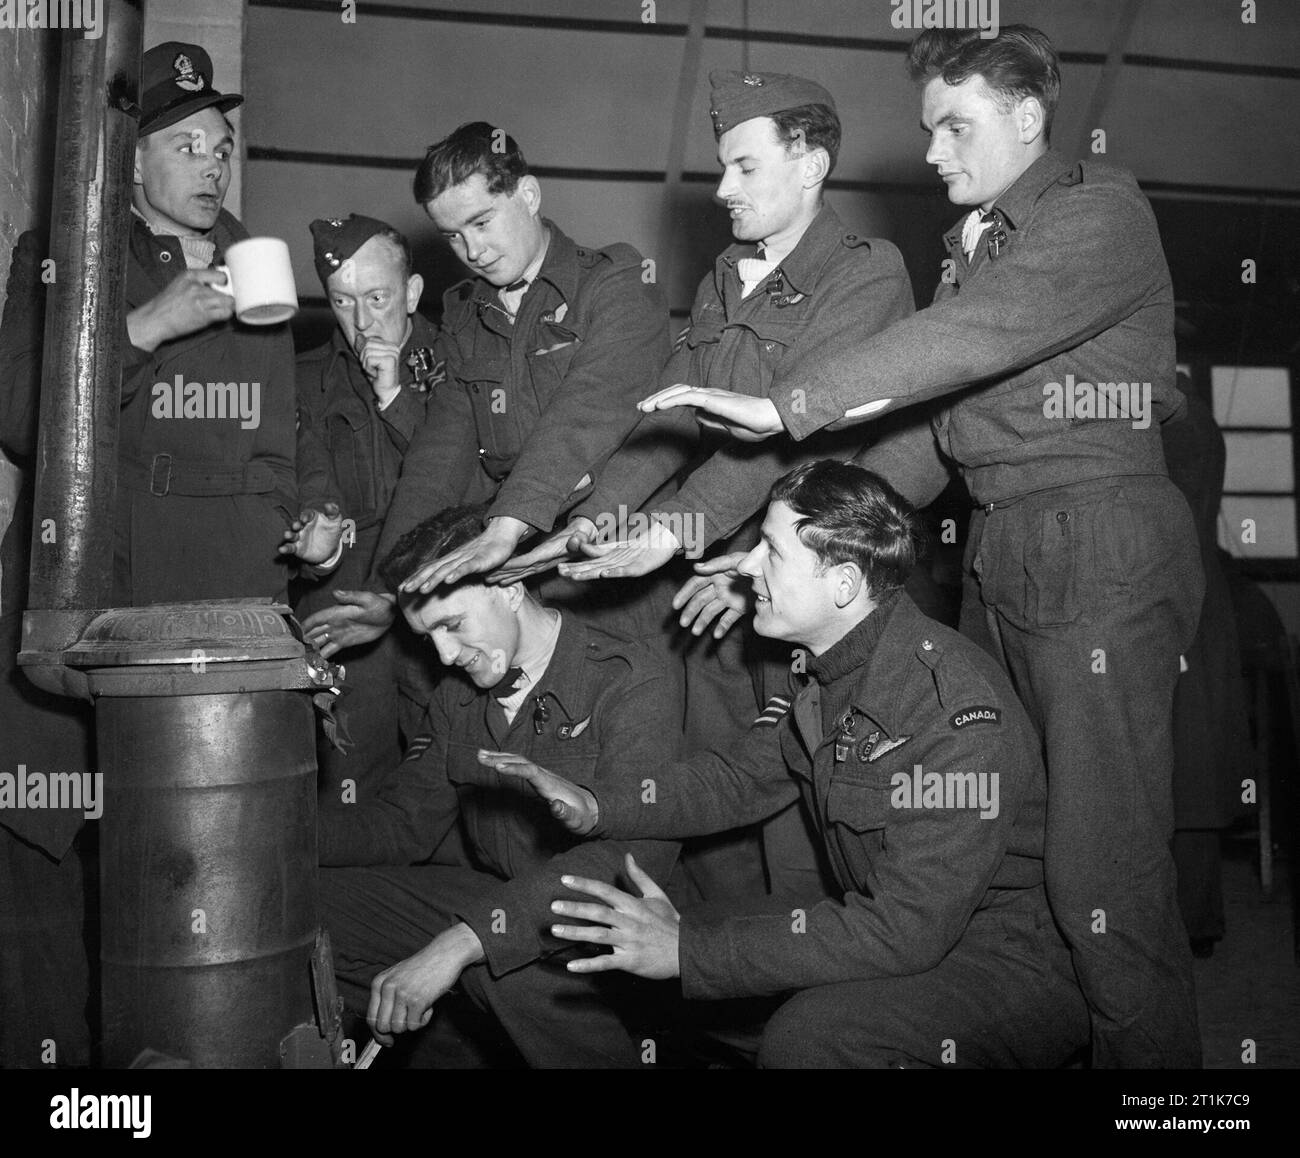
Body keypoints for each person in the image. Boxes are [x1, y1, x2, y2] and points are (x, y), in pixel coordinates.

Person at [642, 27, 1206, 1068]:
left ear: (1029, 120)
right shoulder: (977, 250)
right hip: (1009, 542)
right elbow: (928, 440)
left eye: (957, 126)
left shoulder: (1095, 212)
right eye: (928, 129)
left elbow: (972, 337)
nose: (936, 151)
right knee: (1030, 859)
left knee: (1102, 873)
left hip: (1099, 542)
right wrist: (786, 548)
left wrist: (787, 405)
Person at [487, 462, 1090, 1068]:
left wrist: (688, 951)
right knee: (639, 962)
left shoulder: (953, 710)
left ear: (844, 585)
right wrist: (600, 806)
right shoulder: (833, 670)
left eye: (770, 550)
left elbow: (905, 929)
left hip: (1003, 957)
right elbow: (740, 780)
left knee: (810, 1039)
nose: (746, 566)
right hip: (901, 925)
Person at [496, 70, 917, 905]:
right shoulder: (726, 276)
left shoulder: (868, 275)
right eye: (721, 166)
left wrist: (672, 536)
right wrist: (595, 524)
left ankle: (805, 1010)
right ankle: (717, 1002)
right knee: (717, 796)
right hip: (723, 582)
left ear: (811, 164)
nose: (723, 189)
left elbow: (789, 439)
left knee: (809, 812)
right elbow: (668, 424)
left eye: (745, 167)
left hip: (823, 584)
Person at [318, 505, 680, 1067]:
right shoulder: (458, 696)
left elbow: (626, 861)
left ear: (509, 589)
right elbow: (401, 827)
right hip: (507, 908)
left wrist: (462, 943)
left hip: (610, 932)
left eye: (452, 625)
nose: (442, 654)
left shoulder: (628, 680)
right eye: (426, 635)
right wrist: (278, 835)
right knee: (306, 903)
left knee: (501, 968)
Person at [300, 122, 671, 664]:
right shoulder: (468, 313)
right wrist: (395, 585)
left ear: (528, 195)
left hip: (616, 567)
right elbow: (438, 456)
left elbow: (584, 413)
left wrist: (504, 525)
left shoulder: (616, 284)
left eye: (481, 221)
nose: (472, 249)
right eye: (452, 235)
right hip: (514, 576)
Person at [290, 215, 436, 797]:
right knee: (352, 795)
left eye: (378, 297)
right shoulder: (301, 380)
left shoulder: (465, 362)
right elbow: (297, 494)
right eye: (343, 301)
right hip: (345, 621)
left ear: (413, 293)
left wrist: (395, 397)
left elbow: (473, 484)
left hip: (440, 607)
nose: (362, 320)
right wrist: (311, 550)